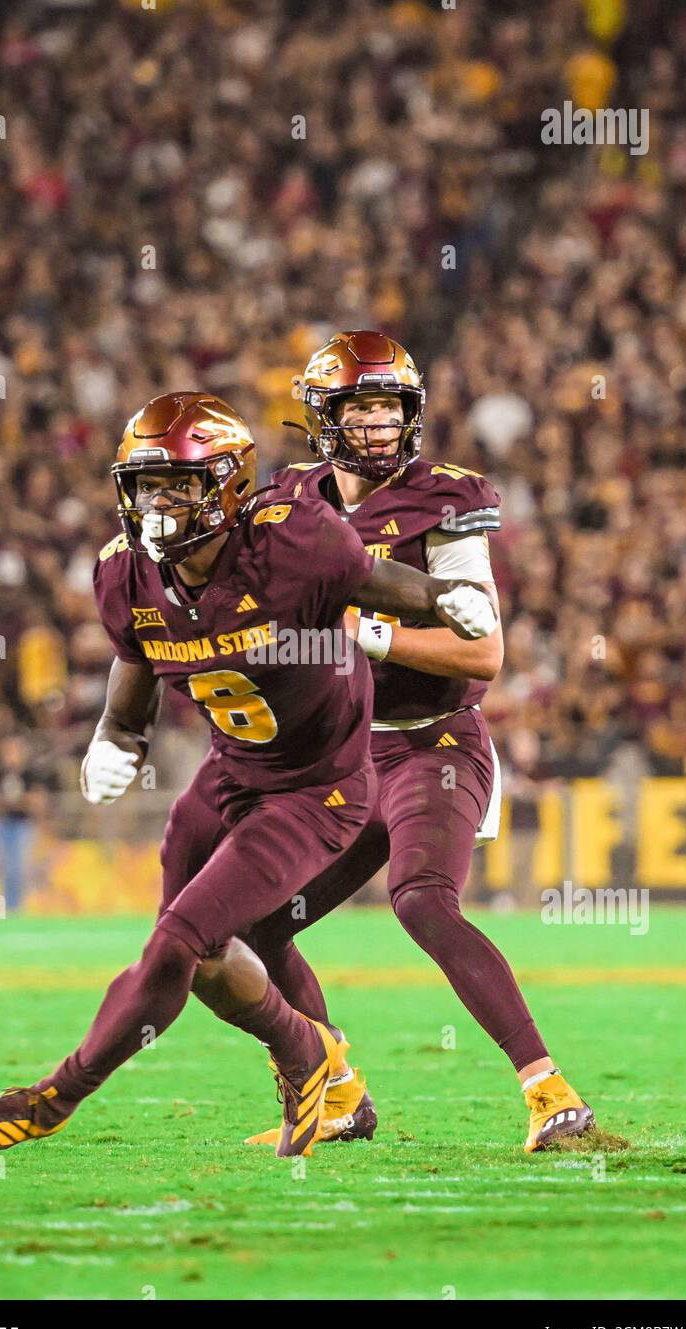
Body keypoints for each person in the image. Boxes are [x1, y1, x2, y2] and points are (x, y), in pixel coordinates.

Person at [0, 390, 493, 1160]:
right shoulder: (126, 574)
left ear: (229, 485)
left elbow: (372, 581)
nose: (158, 502)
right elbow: (138, 653)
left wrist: (443, 596)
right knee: (186, 956)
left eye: (177, 482)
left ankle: (54, 1098)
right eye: (145, 485)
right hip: (226, 775)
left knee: (182, 939)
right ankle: (306, 1053)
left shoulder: (292, 540)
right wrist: (118, 732)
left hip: (316, 789)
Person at [200, 332, 595, 1154]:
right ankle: (334, 1089)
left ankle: (551, 1093)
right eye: (361, 408)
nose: (379, 425)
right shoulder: (289, 501)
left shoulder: (443, 500)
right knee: (258, 925)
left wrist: (367, 632)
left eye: (391, 408)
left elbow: (482, 653)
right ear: (323, 418)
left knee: (421, 898)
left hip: (432, 743)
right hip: (337, 759)